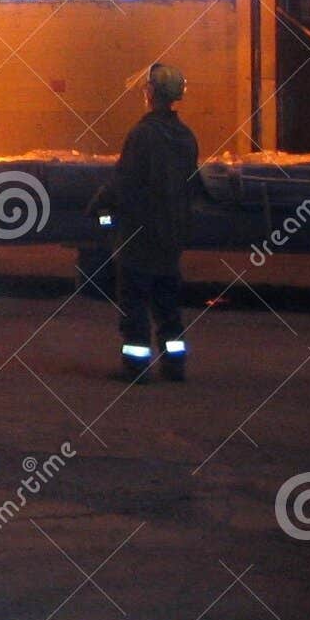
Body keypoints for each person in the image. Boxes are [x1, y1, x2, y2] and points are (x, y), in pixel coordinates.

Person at [95, 62, 199, 383]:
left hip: (139, 235)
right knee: (167, 302)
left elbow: (125, 182)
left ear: (151, 93)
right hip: (171, 235)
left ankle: (136, 365)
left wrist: (100, 207)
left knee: (135, 302)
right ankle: (174, 364)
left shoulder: (142, 135)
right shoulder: (186, 137)